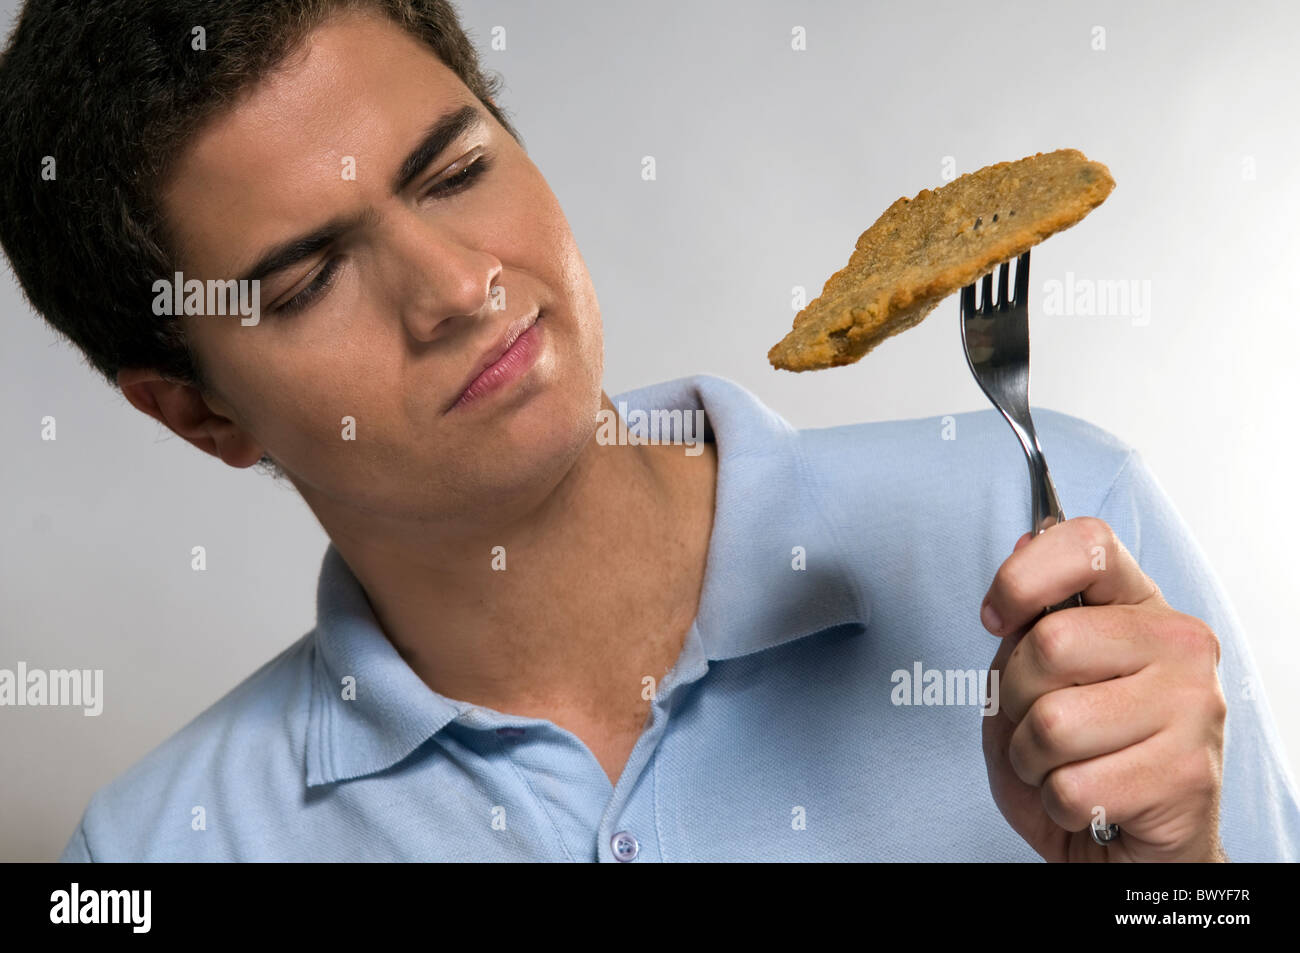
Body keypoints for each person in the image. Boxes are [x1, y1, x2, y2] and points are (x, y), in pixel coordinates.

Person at [1, 0, 1296, 862]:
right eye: (307, 280)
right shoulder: (165, 846)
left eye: (456, 170)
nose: (460, 288)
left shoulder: (1046, 527)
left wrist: (1173, 881)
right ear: (200, 410)